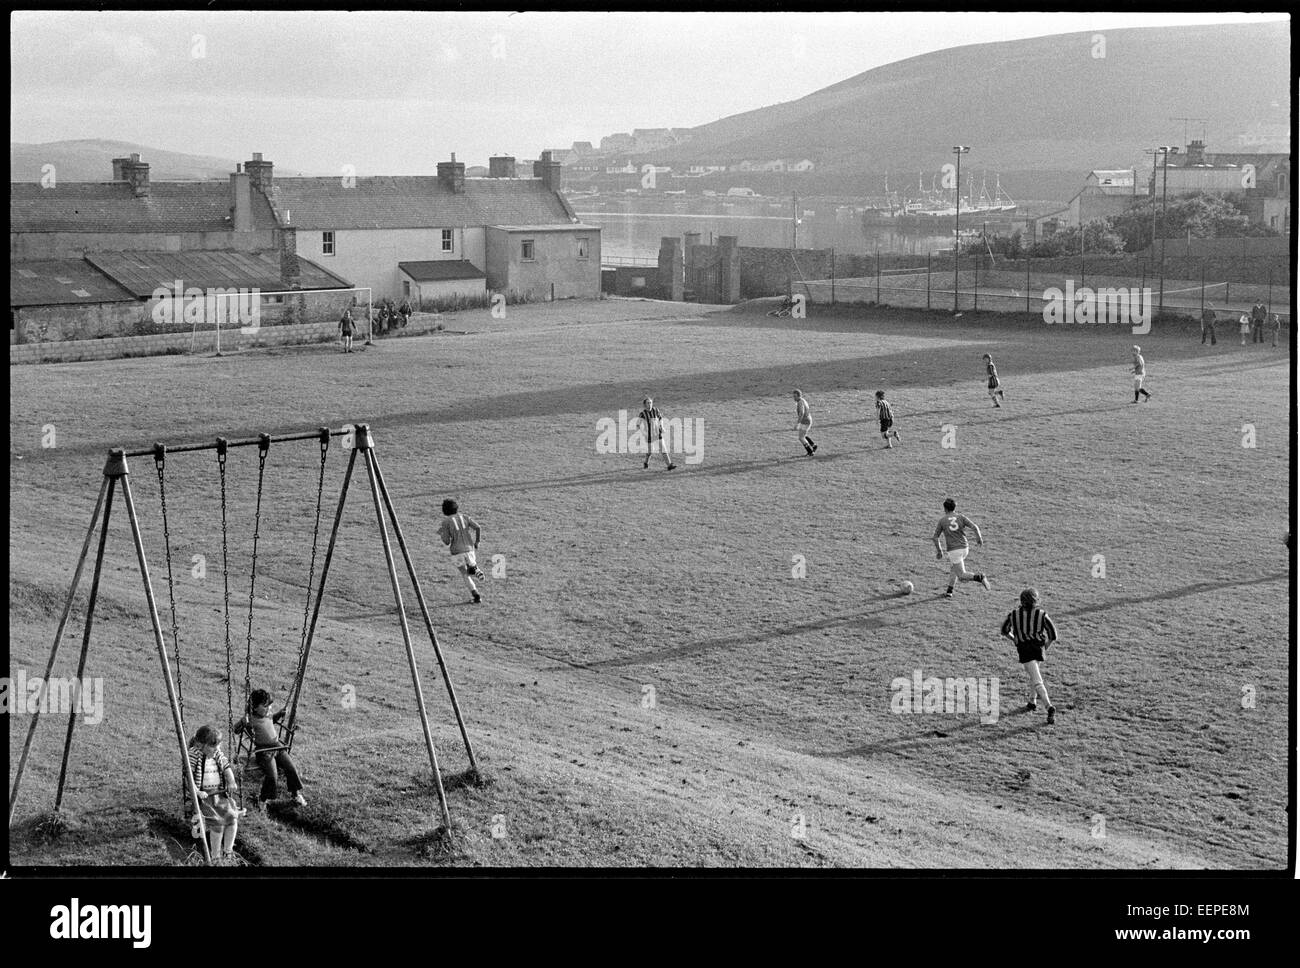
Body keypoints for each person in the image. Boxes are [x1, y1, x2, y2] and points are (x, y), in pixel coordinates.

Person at [234, 688, 306, 808]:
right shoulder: (250, 719)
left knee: (291, 768)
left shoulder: (268, 715)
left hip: (278, 747)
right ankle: (262, 800)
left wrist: (279, 714)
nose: (268, 709)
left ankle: (296, 794)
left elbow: (272, 720)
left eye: (269, 706)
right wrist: (243, 722)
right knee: (272, 776)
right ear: (255, 707)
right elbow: (236, 730)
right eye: (265, 706)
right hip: (264, 751)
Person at [1001, 587, 1059, 724]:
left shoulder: (1013, 614)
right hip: (1038, 648)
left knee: (1037, 679)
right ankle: (1032, 701)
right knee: (1034, 674)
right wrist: (1045, 647)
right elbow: (1053, 635)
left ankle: (1048, 706)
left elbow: (1004, 630)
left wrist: (1014, 638)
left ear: (1021, 601)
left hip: (1024, 649)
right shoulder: (1041, 614)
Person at [186, 725, 243, 864]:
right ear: (200, 745)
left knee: (232, 818)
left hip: (220, 794)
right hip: (205, 797)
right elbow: (188, 777)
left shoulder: (216, 752)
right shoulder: (194, 754)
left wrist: (231, 781)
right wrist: (197, 792)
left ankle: (228, 852)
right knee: (217, 823)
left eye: (217, 745)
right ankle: (216, 857)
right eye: (212, 746)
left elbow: (226, 766)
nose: (216, 749)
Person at [932, 498, 990, 599]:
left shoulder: (942, 521)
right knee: (954, 568)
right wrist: (979, 538)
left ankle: (979, 577)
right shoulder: (961, 517)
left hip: (954, 550)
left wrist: (939, 551)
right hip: (965, 548)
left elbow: (935, 537)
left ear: (945, 508)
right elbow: (974, 527)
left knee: (961, 575)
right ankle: (949, 591)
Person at [439, 498, 486, 604]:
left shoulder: (446, 522)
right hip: (469, 549)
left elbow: (446, 541)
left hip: (457, 552)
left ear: (444, 510)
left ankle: (476, 595)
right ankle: (474, 568)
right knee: (470, 566)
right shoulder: (464, 517)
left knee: (465, 575)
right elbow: (478, 527)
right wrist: (477, 541)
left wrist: (442, 534)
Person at [634, 396, 676, 471]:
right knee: (650, 452)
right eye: (648, 403)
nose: (649, 404)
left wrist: (662, 427)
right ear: (644, 405)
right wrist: (643, 433)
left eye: (650, 403)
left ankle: (669, 465)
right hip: (649, 436)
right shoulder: (642, 414)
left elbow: (660, 419)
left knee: (663, 449)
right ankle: (646, 462)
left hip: (657, 433)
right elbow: (637, 425)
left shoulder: (656, 410)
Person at [793, 389, 818, 457]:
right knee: (803, 435)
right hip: (807, 420)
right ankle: (814, 446)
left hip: (805, 421)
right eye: (793, 396)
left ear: (799, 396)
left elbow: (801, 413)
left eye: (795, 396)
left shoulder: (800, 402)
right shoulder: (802, 400)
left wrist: (797, 424)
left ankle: (810, 451)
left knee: (801, 438)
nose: (794, 398)